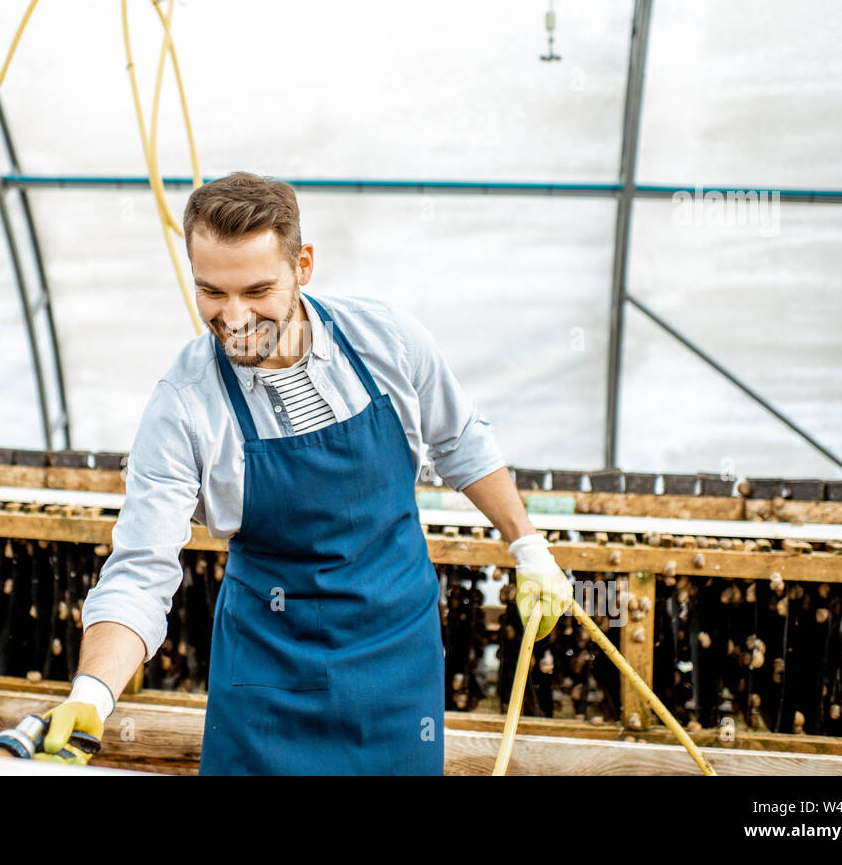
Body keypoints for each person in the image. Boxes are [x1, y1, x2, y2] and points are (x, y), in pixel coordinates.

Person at [33, 172, 573, 775]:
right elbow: (140, 574)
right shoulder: (183, 404)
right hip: (268, 675)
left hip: (396, 662)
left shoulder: (385, 340)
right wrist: (92, 695)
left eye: (257, 290)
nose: (234, 317)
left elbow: (460, 440)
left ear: (304, 265)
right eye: (211, 292)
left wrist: (528, 547)